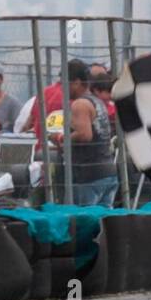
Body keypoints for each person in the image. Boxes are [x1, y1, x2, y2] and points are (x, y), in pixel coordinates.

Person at [53, 60, 117, 207]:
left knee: (83, 224)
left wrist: (61, 138)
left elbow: (84, 134)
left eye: (64, 83)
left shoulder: (79, 104)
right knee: (103, 224)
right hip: (107, 172)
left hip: (89, 177)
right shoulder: (97, 101)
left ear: (76, 82)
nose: (62, 88)